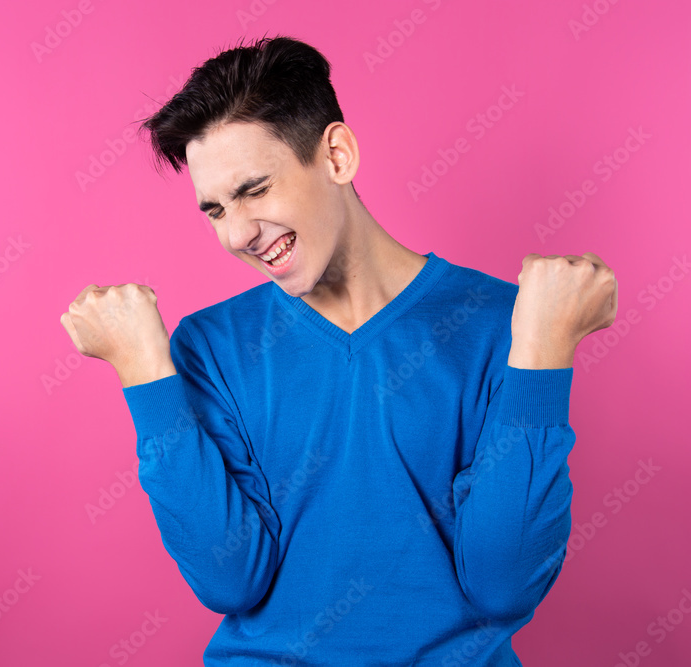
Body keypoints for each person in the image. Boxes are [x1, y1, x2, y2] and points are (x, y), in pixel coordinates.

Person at [60, 34, 617, 666]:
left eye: (254, 190)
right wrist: (145, 377)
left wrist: (544, 354)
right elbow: (230, 579)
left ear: (337, 155)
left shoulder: (506, 325)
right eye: (214, 210)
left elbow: (503, 585)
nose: (239, 233)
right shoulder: (210, 347)